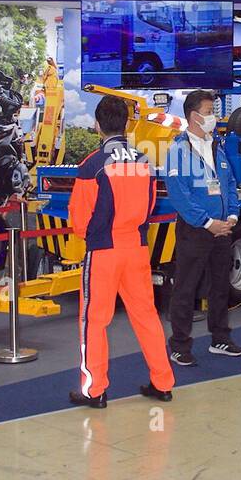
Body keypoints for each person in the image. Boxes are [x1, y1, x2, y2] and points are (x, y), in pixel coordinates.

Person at [66, 95, 175, 408]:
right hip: (137, 248)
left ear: (97, 125)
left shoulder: (92, 165)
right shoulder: (144, 161)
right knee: (146, 316)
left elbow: (80, 218)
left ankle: (95, 390)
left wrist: (92, 235)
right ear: (127, 123)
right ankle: (163, 382)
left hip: (104, 251)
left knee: (94, 320)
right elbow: (151, 206)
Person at [164, 90, 241, 366]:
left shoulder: (217, 148)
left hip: (222, 230)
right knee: (185, 289)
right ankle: (179, 346)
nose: (215, 117)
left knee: (221, 286)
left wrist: (232, 215)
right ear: (194, 116)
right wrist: (208, 223)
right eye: (210, 112)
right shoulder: (178, 151)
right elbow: (179, 194)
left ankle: (220, 338)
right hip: (195, 231)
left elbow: (230, 184)